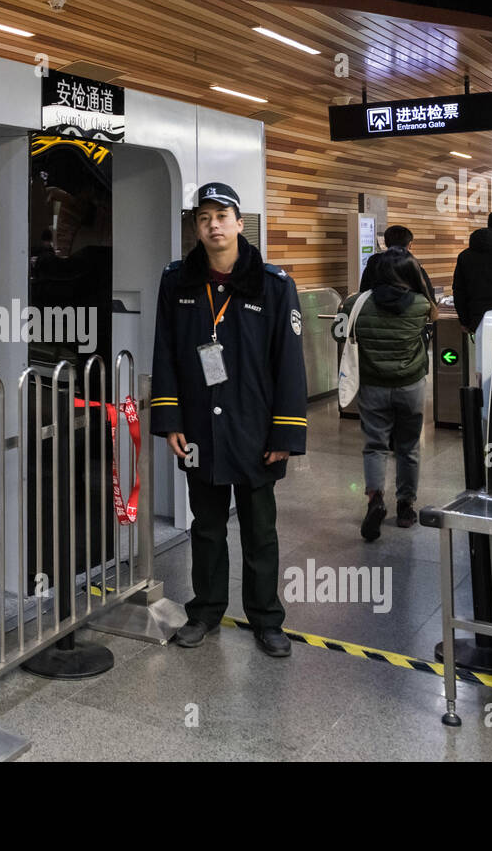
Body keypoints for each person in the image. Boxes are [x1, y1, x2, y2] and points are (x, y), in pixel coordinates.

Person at [150, 182, 307, 656]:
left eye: (222, 216)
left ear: (241, 223)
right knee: (206, 526)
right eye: (204, 218)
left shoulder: (274, 285)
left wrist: (285, 431)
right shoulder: (176, 281)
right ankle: (206, 610)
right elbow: (166, 353)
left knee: (260, 528)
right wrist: (170, 420)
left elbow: (289, 364)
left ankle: (266, 619)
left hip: (256, 430)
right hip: (200, 429)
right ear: (196, 227)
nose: (213, 225)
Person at [335, 247, 438, 540]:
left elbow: (338, 333)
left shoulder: (355, 303)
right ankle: (405, 507)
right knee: (408, 447)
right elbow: (432, 321)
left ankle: (376, 500)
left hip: (373, 387)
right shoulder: (422, 304)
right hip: (411, 385)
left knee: (375, 445)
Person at [360, 224, 434, 295]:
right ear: (409, 244)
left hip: (374, 306)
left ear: (385, 243)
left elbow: (363, 290)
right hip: (407, 306)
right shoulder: (413, 265)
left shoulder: (374, 263)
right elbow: (429, 295)